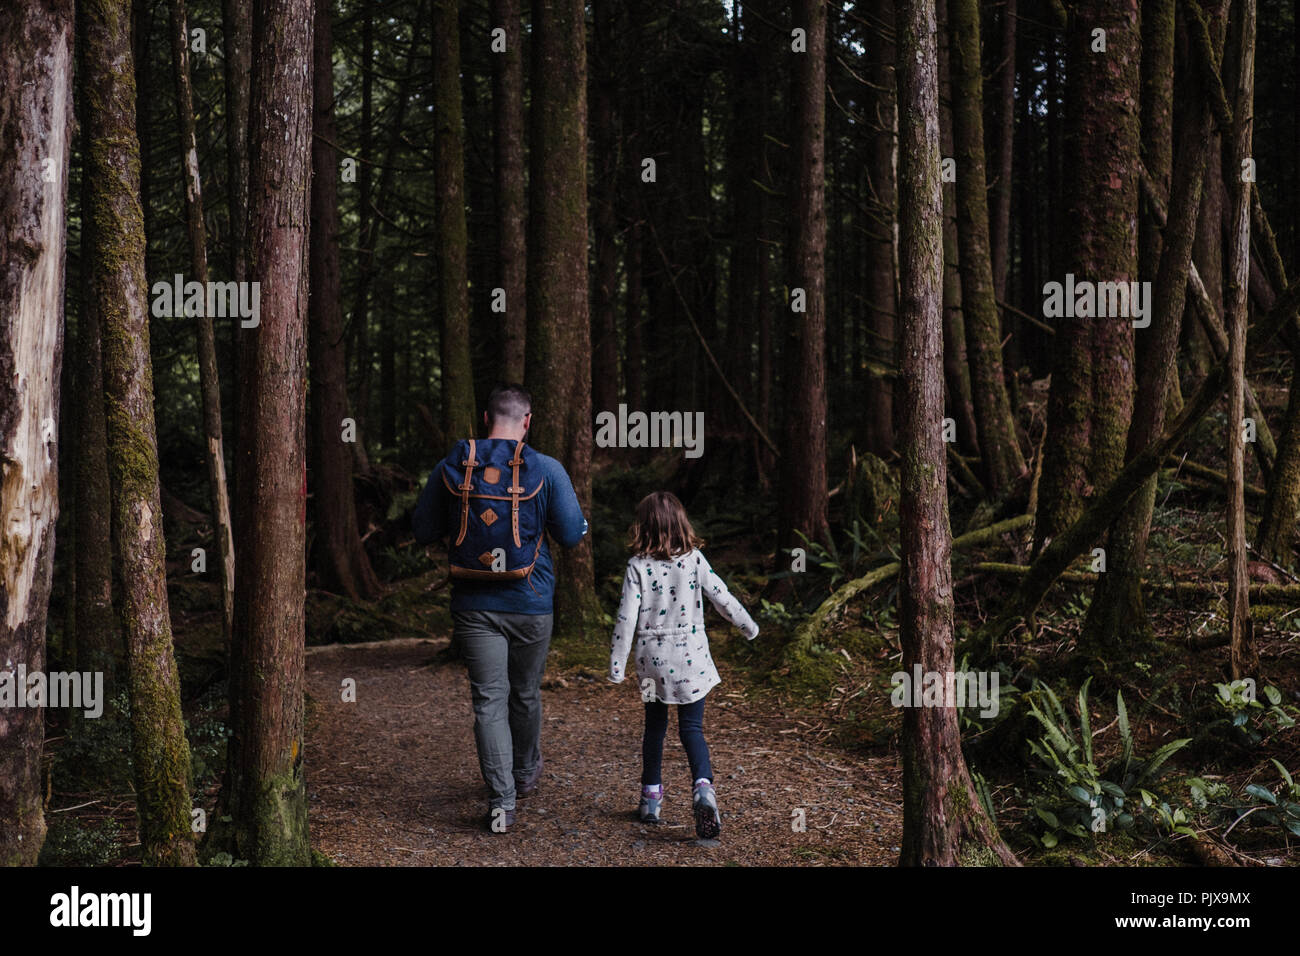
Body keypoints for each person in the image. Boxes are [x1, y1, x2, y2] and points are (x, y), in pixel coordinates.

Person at [412, 384, 588, 833]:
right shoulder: (546, 469)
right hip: (531, 601)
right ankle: (526, 772)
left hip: (474, 604)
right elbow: (570, 536)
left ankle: (501, 803)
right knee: (525, 691)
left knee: (489, 701)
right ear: (527, 421)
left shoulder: (455, 466)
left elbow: (423, 530)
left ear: (486, 417)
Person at [608, 491, 759, 840]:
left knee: (655, 728)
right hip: (691, 657)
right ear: (681, 524)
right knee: (692, 728)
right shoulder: (694, 560)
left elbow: (626, 618)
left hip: (651, 663)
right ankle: (703, 788)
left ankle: (651, 799)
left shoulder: (637, 567)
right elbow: (721, 596)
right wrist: (748, 627)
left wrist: (617, 665)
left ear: (642, 527)